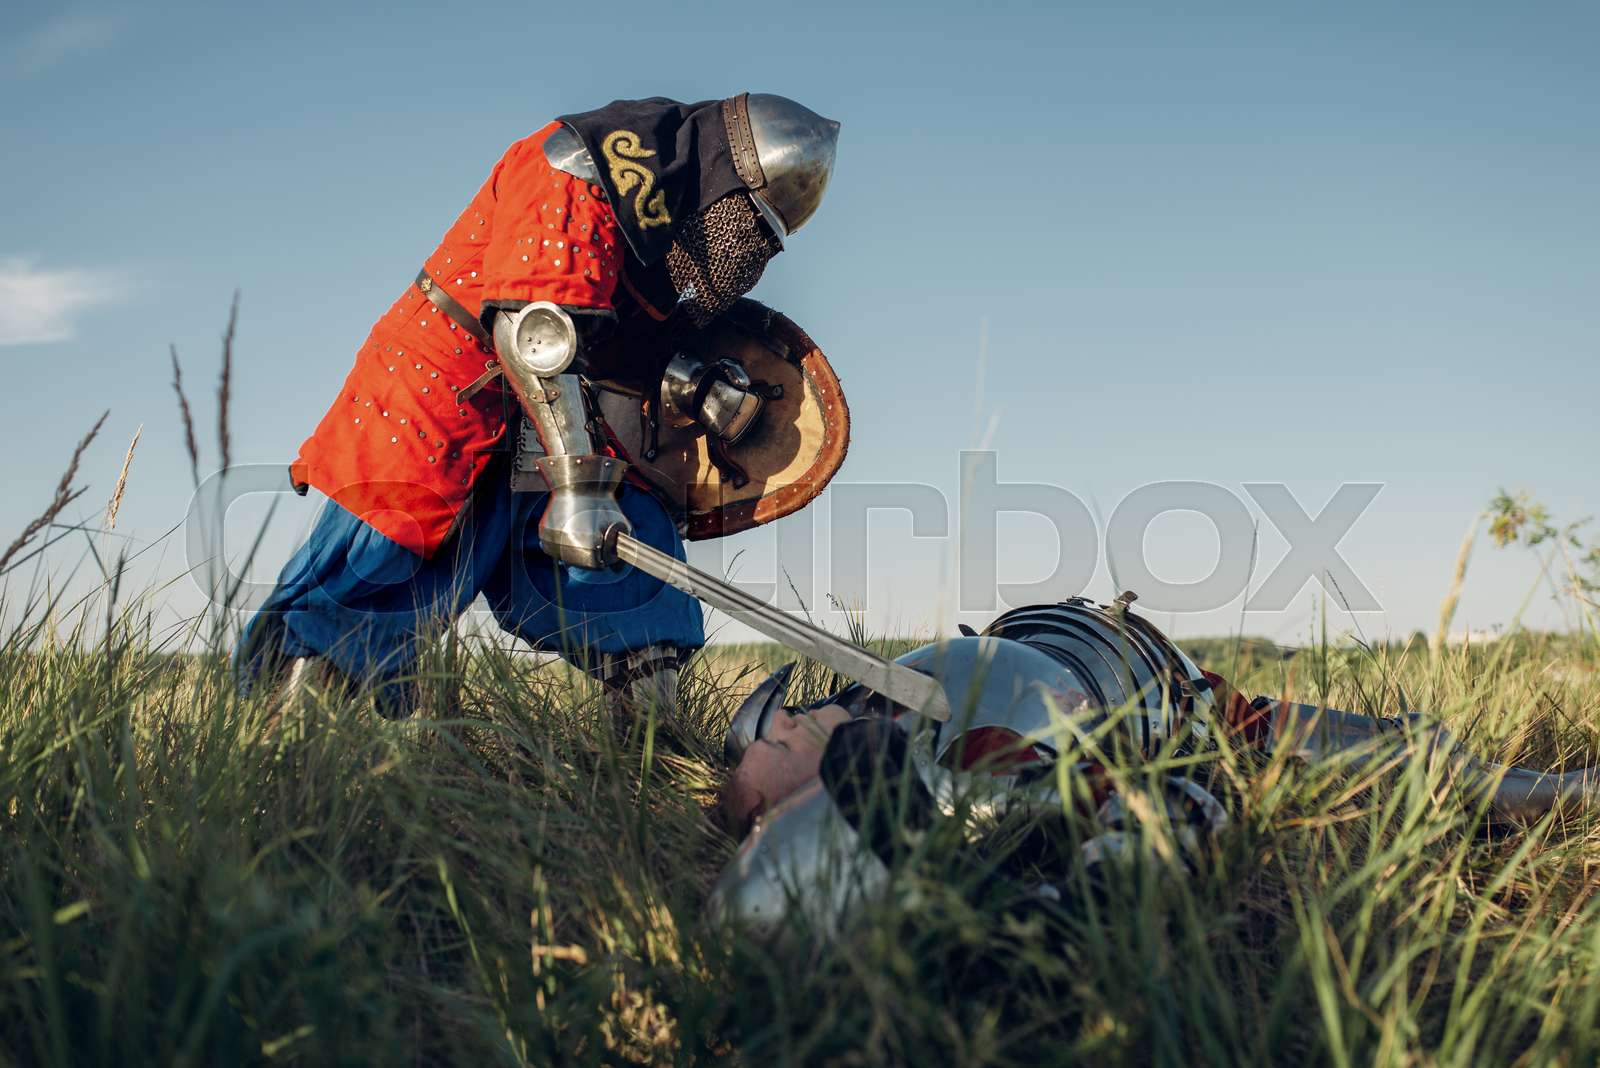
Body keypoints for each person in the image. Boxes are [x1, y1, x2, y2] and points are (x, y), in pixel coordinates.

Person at [235, 95, 841, 721]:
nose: (741, 251)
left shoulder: (659, 235)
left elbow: (622, 352)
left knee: (638, 569)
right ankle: (288, 757)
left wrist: (693, 381)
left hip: (560, 416)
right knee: (377, 570)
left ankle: (647, 762)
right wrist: (581, 490)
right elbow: (538, 330)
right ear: (723, 179)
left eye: (761, 240)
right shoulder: (580, 164)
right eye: (746, 223)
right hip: (442, 386)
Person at [710, 596, 1600, 939]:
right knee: (1141, 805)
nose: (792, 714)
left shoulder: (885, 700)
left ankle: (1538, 794)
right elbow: (1024, 757)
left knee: (1404, 756)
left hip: (1149, 681)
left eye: (785, 716)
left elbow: (1002, 678)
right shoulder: (912, 765)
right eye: (782, 734)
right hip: (1142, 728)